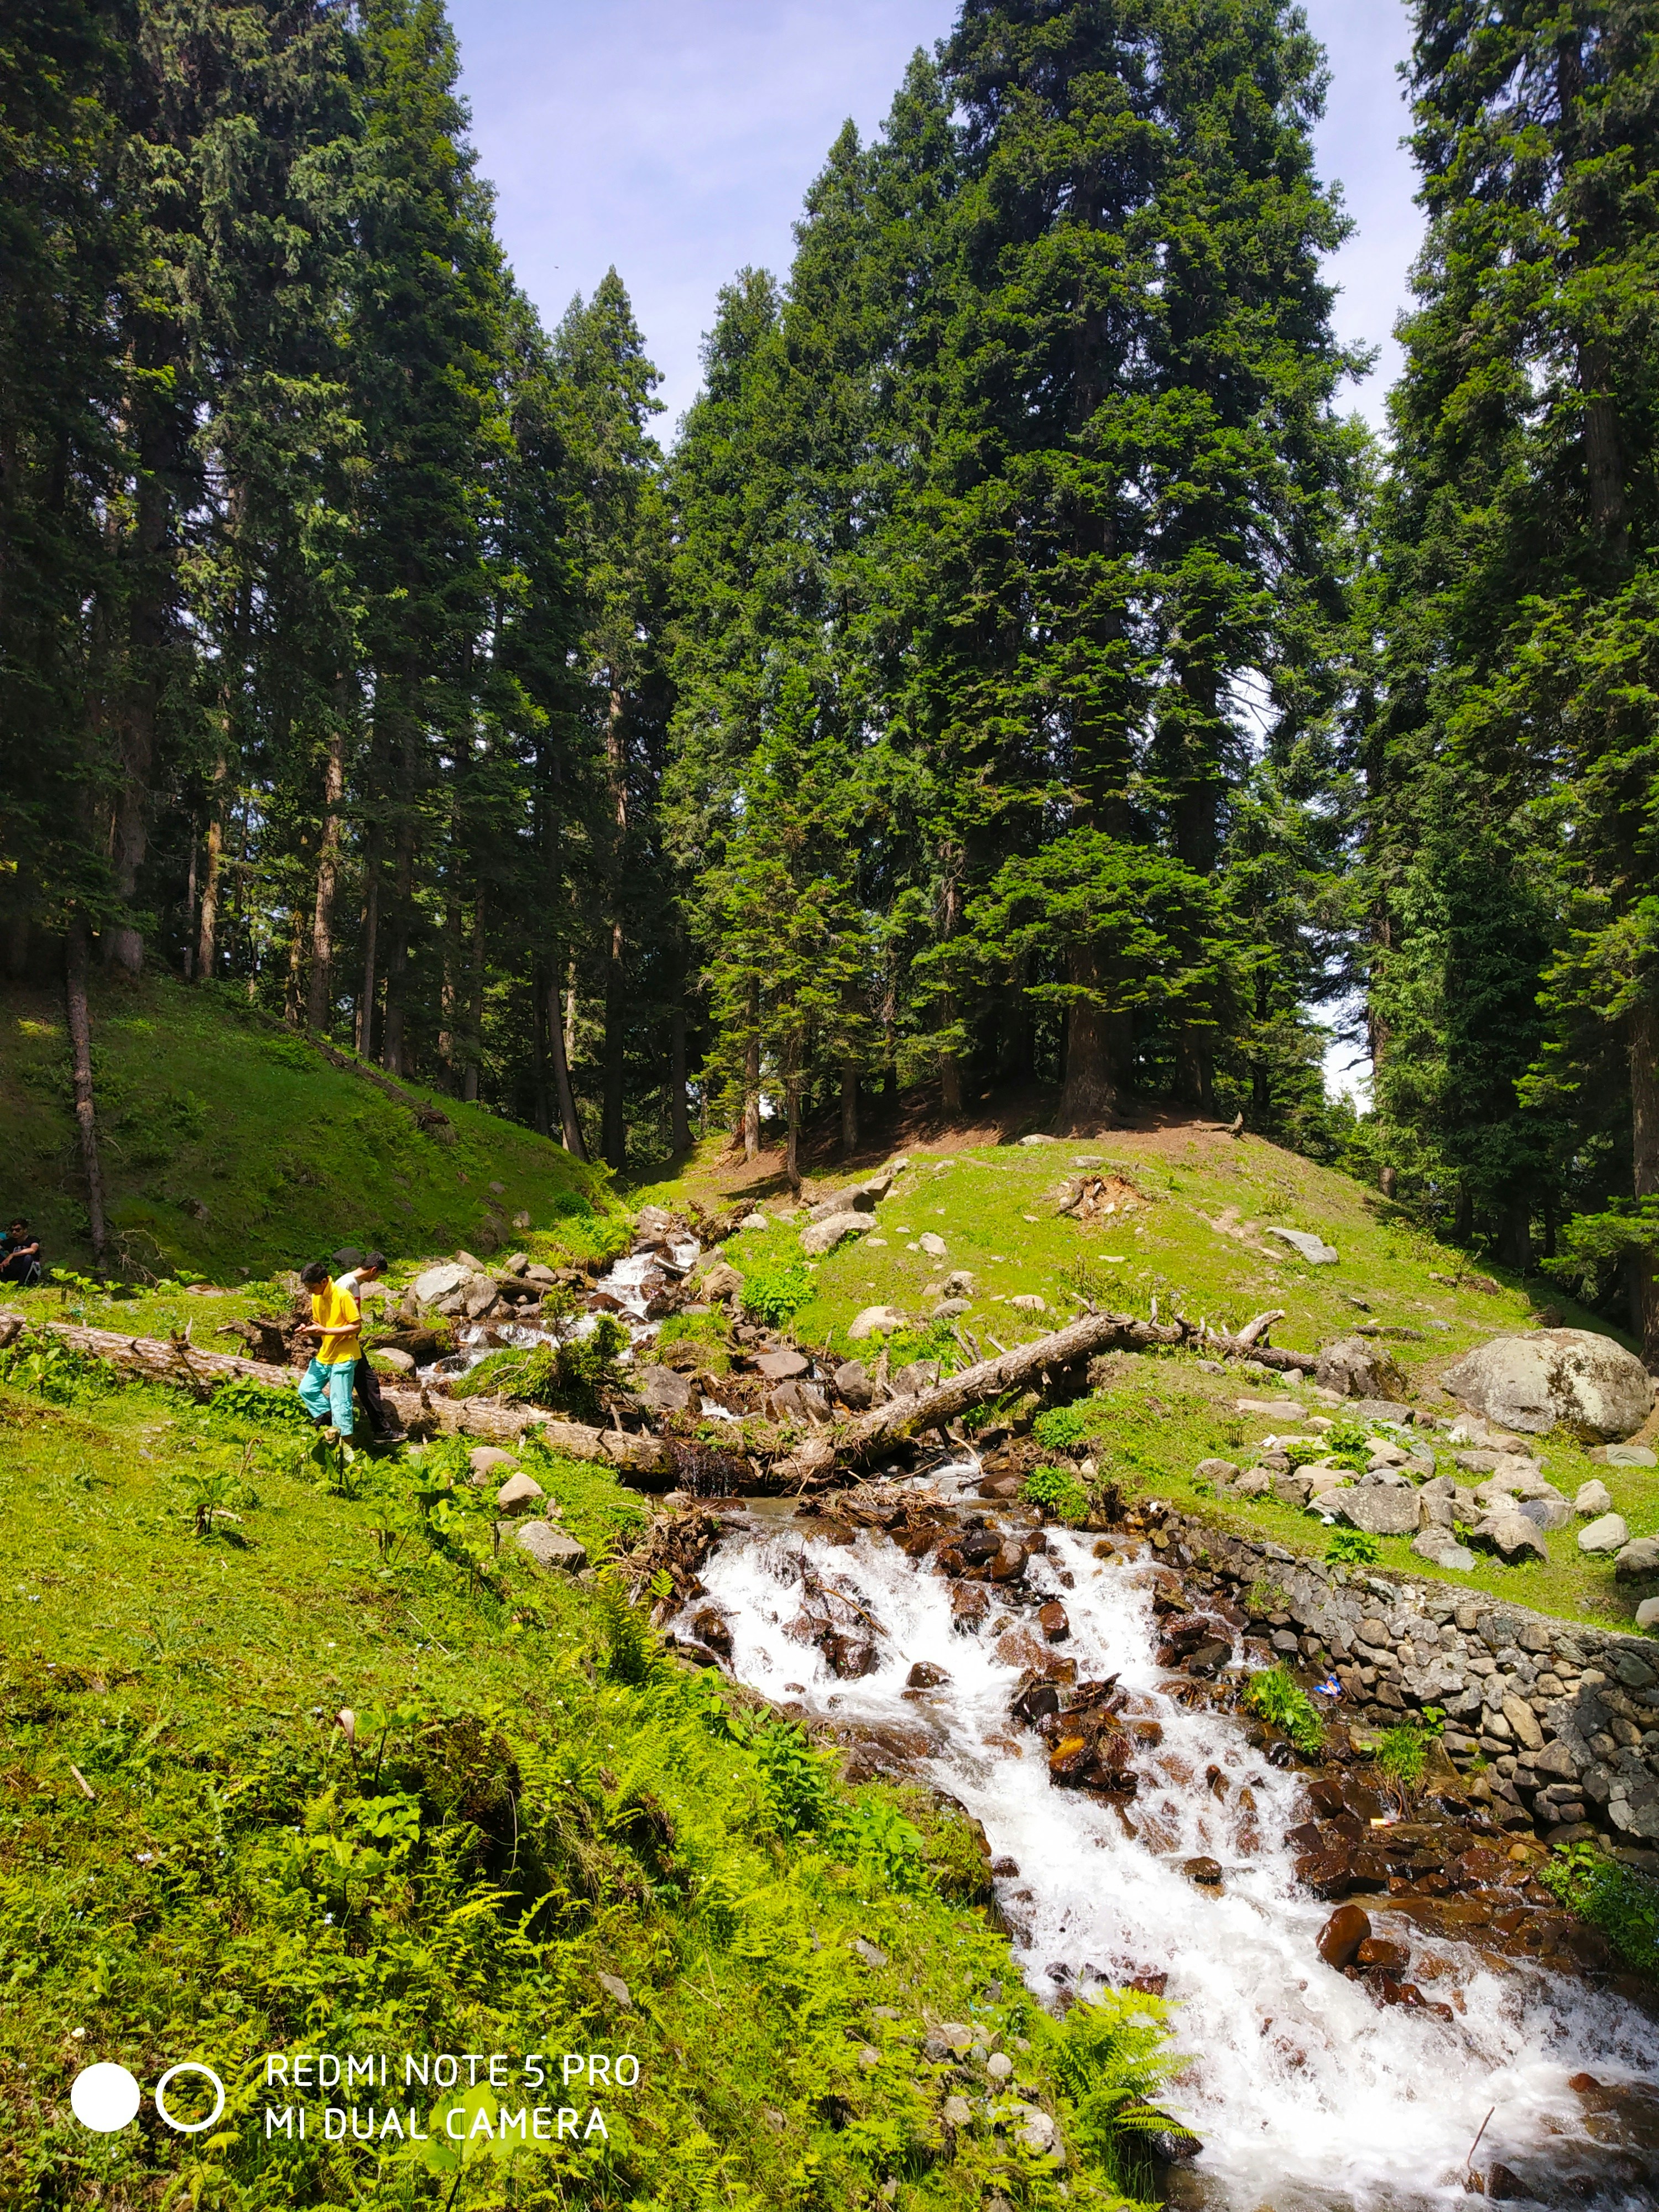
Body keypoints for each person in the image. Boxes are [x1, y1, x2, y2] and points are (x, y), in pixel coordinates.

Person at [331, 1246, 401, 1442]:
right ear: (374, 1270)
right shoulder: (347, 1283)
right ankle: (380, 1431)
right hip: (344, 1342)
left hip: (348, 1341)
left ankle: (379, 1430)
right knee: (368, 1383)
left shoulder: (351, 1282)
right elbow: (336, 1312)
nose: (377, 1279)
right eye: (379, 1275)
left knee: (366, 1383)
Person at [295, 1259, 360, 1438]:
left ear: (324, 1282)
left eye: (312, 1287)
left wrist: (325, 1331)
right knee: (307, 1390)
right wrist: (308, 1329)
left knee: (341, 1404)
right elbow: (319, 1324)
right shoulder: (316, 1297)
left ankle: (345, 1446)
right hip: (325, 1355)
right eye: (307, 1288)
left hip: (344, 1356)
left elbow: (356, 1327)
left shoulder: (343, 1296)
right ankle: (330, 1419)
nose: (309, 1291)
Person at [1, 1219, 43, 1286]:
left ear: (25, 1230)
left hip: (31, 1270)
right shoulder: (10, 1242)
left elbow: (33, 1250)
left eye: (18, 1230)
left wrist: (12, 1255)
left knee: (28, 1257)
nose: (14, 1232)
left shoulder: (33, 1239)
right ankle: (4, 1283)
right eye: (12, 1230)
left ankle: (21, 1284)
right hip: (15, 1269)